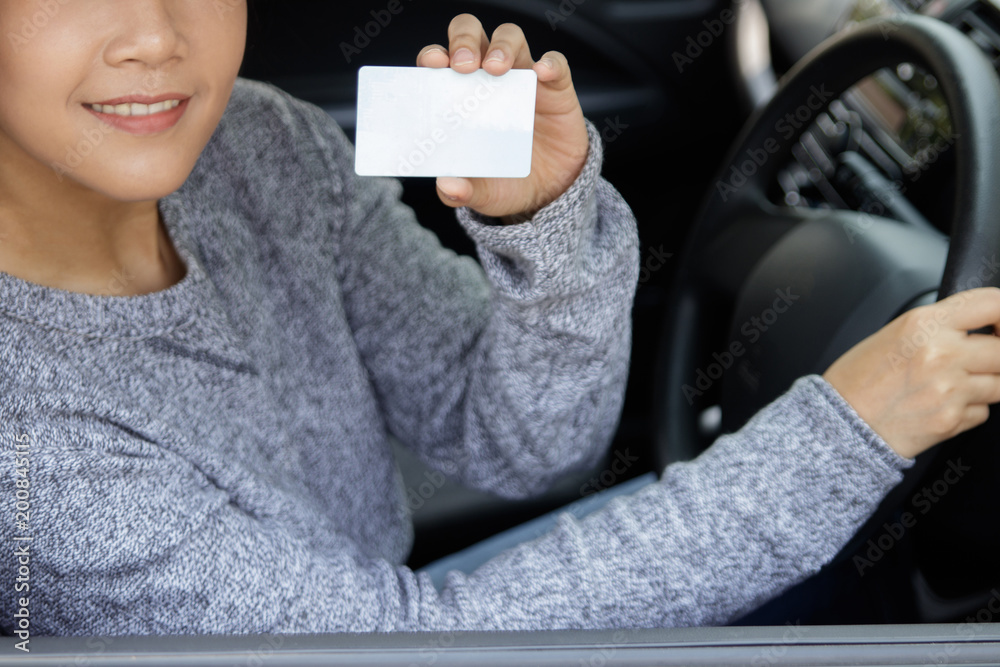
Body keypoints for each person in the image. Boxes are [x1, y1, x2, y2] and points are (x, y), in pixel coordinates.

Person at [1, 1, 998, 636]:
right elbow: (422, 648)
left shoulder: (255, 143)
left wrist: (537, 223)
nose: (155, 35)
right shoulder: (27, 445)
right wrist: (846, 431)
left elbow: (529, 446)